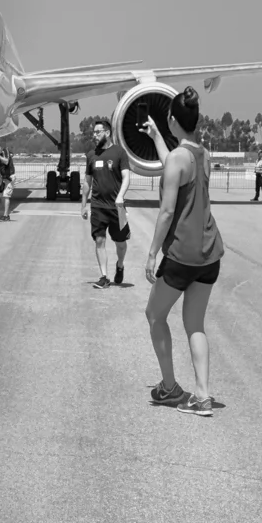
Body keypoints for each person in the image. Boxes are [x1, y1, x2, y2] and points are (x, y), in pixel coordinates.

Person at [143, 88, 224, 417]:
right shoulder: (199, 153)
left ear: (174, 121)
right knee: (195, 323)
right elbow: (175, 165)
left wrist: (151, 254)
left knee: (154, 315)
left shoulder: (179, 159)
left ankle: (170, 387)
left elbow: (166, 213)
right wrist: (157, 138)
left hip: (182, 255)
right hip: (209, 253)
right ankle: (203, 397)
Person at [81, 117, 131, 288]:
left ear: (107, 133)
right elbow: (87, 182)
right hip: (98, 206)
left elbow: (126, 177)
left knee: (121, 244)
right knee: (99, 241)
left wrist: (121, 196)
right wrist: (83, 205)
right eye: (93, 132)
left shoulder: (119, 153)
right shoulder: (91, 155)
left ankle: (120, 265)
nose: (94, 135)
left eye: (98, 132)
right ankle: (104, 276)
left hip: (117, 207)